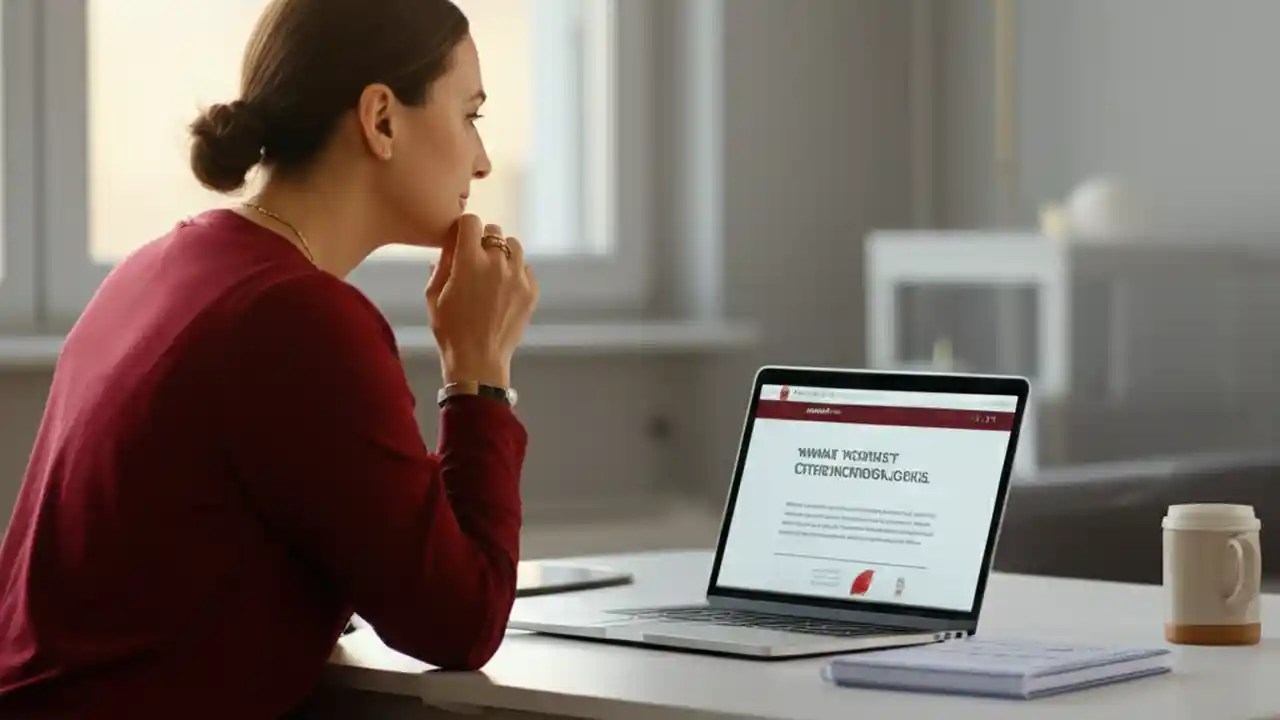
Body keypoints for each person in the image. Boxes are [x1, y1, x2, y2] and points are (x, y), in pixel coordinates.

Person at [0, 0, 538, 716]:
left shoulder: (157, 266)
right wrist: (479, 373)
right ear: (380, 119)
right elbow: (461, 623)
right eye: (471, 113)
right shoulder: (298, 318)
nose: (482, 158)